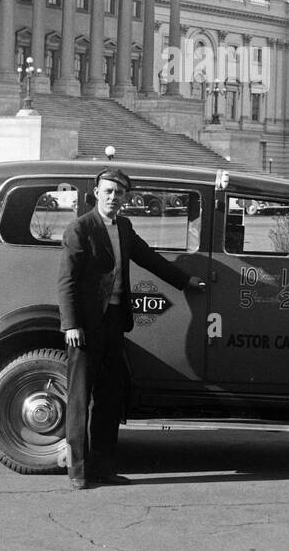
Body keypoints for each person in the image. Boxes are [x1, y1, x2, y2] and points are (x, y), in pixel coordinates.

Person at [57, 167, 204, 489]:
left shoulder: (123, 226)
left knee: (109, 398)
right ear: (96, 193)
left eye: (119, 193)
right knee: (81, 398)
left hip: (114, 322)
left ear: (125, 197)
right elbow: (67, 282)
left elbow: (147, 258)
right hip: (85, 327)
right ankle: (79, 472)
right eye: (107, 191)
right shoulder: (80, 229)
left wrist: (184, 281)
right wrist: (71, 324)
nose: (113, 198)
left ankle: (104, 467)